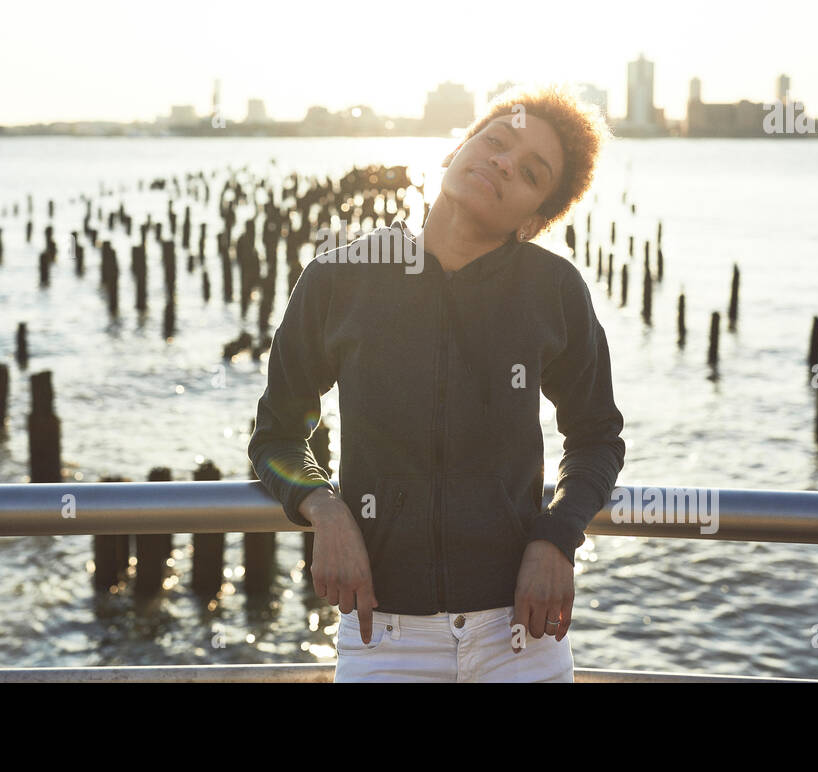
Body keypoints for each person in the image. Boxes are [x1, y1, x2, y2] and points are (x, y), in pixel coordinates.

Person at [247, 82, 626, 682]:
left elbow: (597, 435)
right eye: (495, 141)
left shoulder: (554, 291)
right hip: (384, 632)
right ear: (455, 150)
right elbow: (275, 437)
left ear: (531, 220)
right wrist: (323, 507)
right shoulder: (337, 280)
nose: (503, 161)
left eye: (530, 172)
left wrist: (557, 536)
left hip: (519, 634)